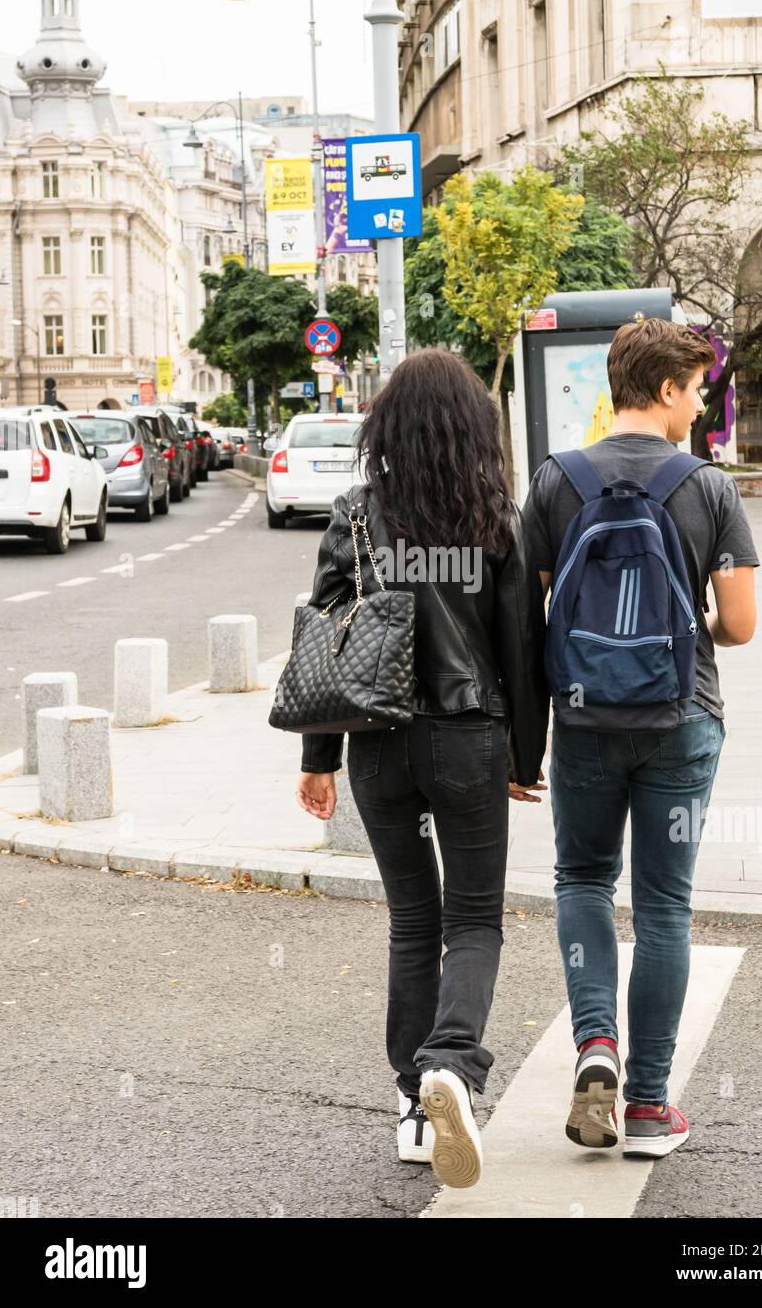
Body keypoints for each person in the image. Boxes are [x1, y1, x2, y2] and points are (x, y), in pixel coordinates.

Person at [295, 349, 548, 1189]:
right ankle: (453, 1065)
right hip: (470, 735)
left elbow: (324, 639)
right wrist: (523, 754)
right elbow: (519, 649)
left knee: (412, 918)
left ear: (387, 425)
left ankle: (414, 1107)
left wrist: (317, 757)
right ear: (475, 425)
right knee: (474, 919)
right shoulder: (493, 516)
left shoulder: (357, 515)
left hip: (377, 742)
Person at [523, 317, 759, 1158]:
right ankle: (653, 1108)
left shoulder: (556, 480)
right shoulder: (710, 487)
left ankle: (596, 1046)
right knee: (664, 905)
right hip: (682, 718)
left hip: (583, 719)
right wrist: (685, 630)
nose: (700, 406)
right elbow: (739, 623)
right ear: (664, 390)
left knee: (583, 877)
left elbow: (534, 618)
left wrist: (526, 747)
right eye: (697, 390)